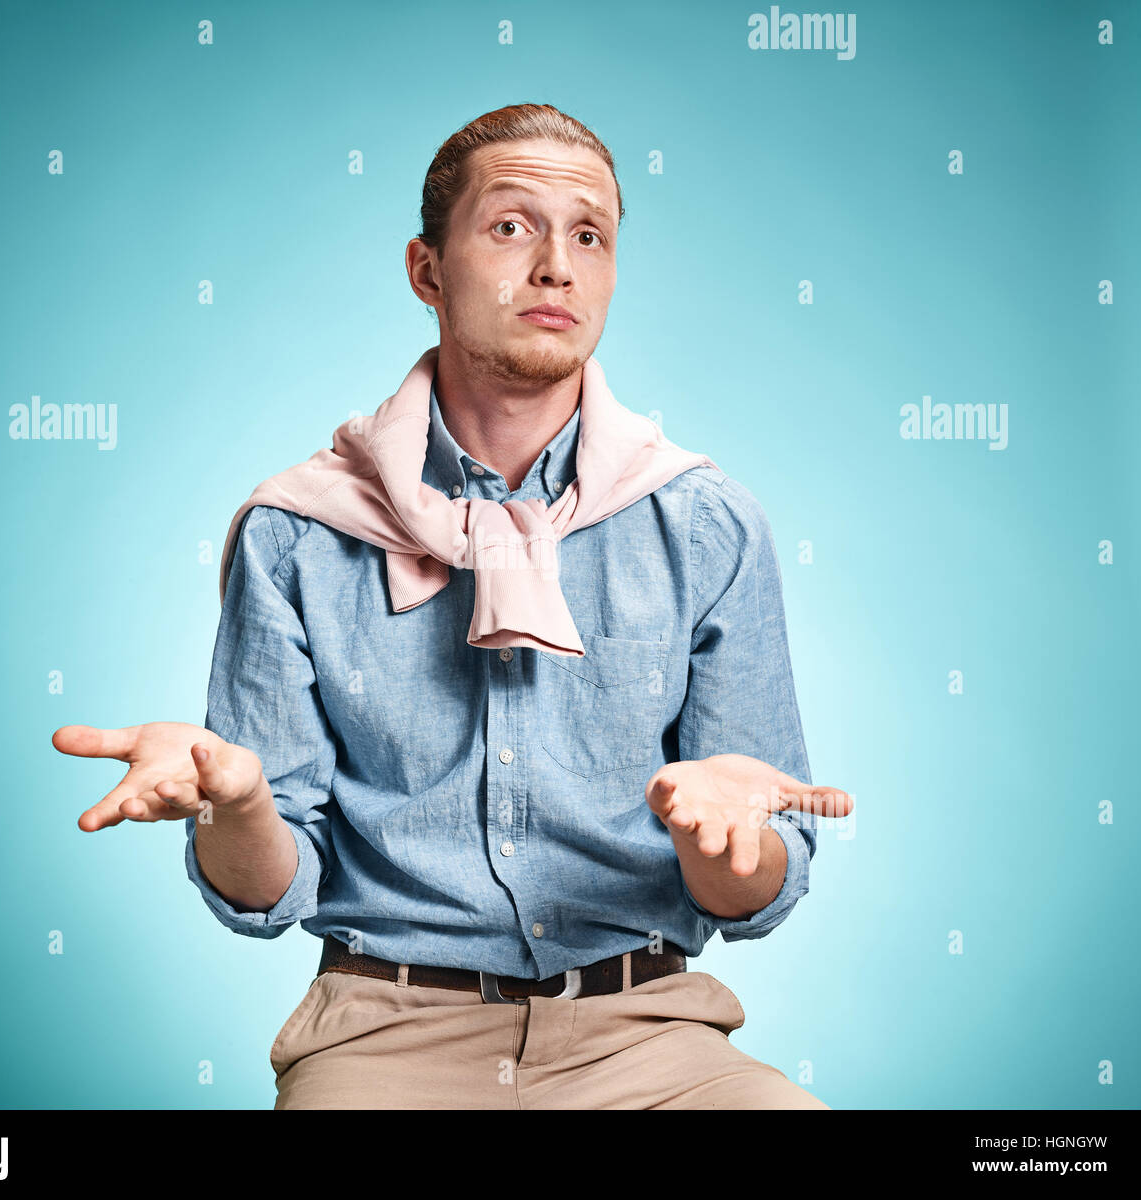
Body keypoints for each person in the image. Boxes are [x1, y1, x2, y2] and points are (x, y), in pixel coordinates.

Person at [53, 102, 853, 1110]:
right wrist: (241, 802)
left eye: (589, 235)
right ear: (426, 271)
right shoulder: (298, 529)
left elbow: (758, 894)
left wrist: (721, 847)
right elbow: (266, 891)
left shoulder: (705, 523)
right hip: (384, 1038)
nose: (556, 265)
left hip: (646, 1039)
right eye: (512, 226)